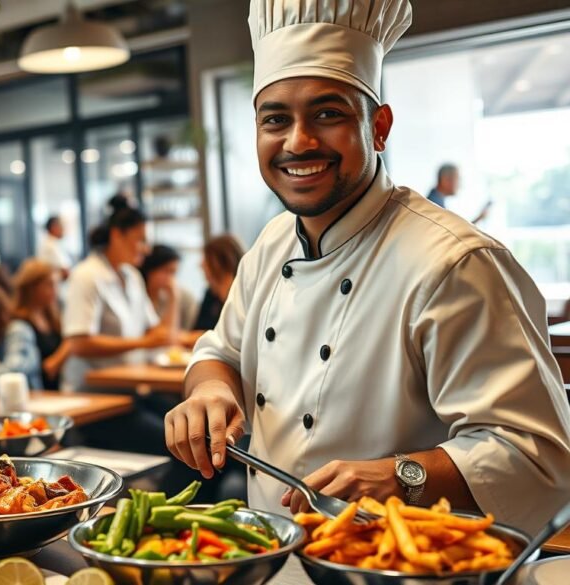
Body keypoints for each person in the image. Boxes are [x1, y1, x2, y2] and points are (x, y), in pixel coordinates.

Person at [166, 0, 570, 543]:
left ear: (378, 126)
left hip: (399, 569)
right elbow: (220, 352)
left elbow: (541, 455)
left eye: (328, 114)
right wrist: (208, 393)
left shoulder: (455, 263)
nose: (297, 142)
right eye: (275, 119)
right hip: (270, 558)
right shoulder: (269, 245)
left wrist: (403, 475)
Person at [62, 199, 172, 390]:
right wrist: (142, 342)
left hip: (129, 382)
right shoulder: (86, 275)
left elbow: (152, 330)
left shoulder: (132, 275)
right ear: (116, 235)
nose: (146, 249)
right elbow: (79, 344)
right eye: (141, 240)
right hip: (92, 390)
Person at [13, 259, 70, 390]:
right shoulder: (19, 324)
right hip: (35, 390)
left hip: (58, 389)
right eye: (49, 285)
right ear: (32, 287)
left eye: (57, 284)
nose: (55, 290)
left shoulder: (54, 318)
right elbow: (34, 367)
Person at [140, 245, 199, 335]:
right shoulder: (137, 293)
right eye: (167, 271)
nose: (171, 279)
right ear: (150, 270)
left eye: (174, 273)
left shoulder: (185, 298)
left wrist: (174, 298)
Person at [193, 235, 246, 332]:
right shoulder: (210, 294)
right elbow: (197, 330)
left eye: (206, 258)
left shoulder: (243, 292)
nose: (201, 264)